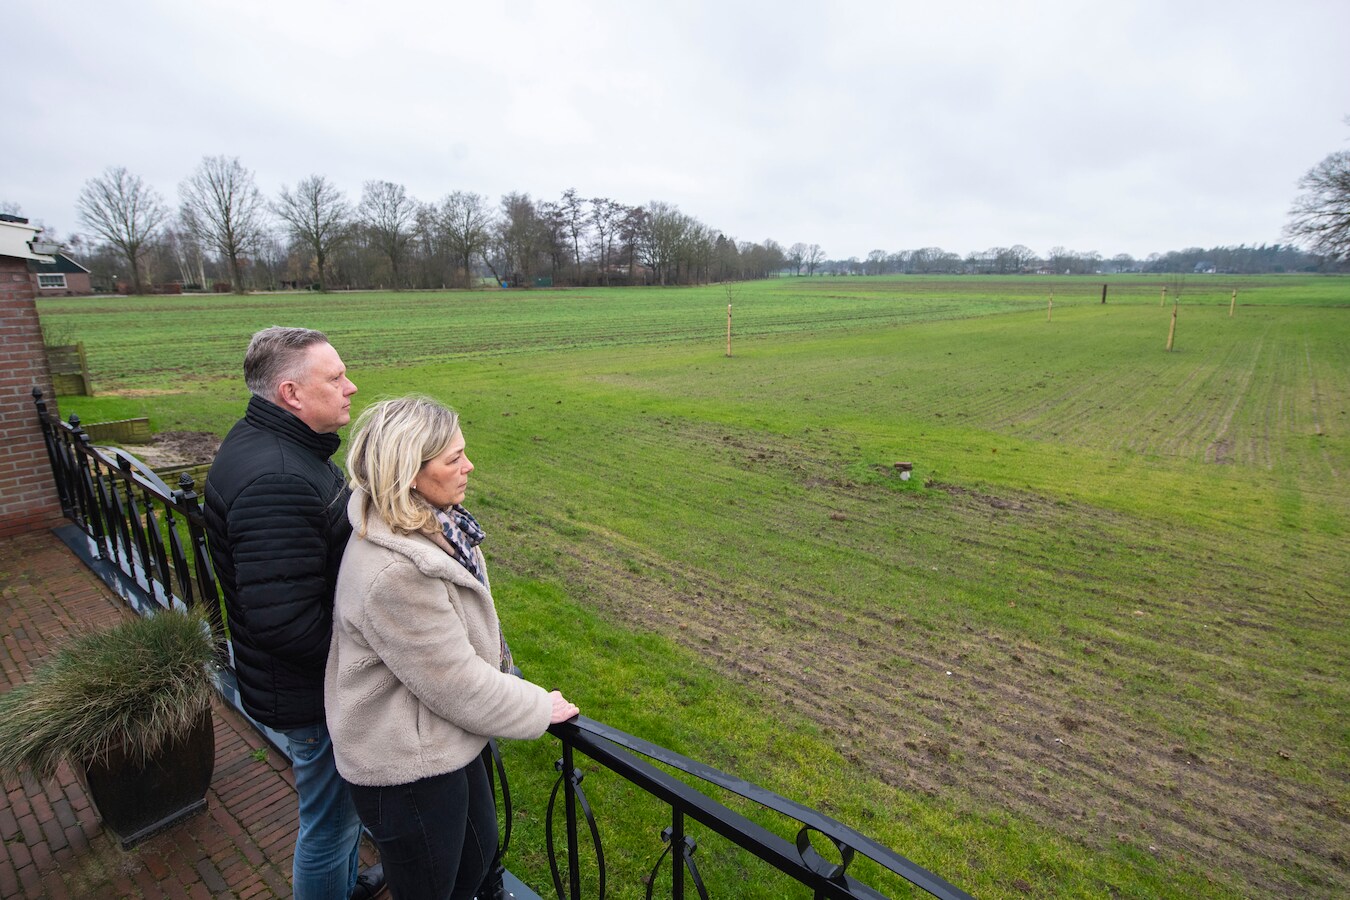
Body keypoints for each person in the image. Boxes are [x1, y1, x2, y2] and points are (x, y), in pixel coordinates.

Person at [326, 395, 579, 900]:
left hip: (442, 743)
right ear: (409, 473)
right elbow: (455, 683)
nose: (469, 466)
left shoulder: (432, 525)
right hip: (406, 769)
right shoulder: (395, 572)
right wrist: (536, 705)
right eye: (454, 458)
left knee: (475, 865)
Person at [204, 327, 384, 900]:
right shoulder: (277, 478)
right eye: (335, 378)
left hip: (305, 685)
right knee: (332, 824)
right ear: (291, 393)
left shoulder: (278, 448)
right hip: (314, 694)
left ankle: (343, 885)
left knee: (339, 816)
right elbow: (283, 622)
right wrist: (371, 660)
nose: (351, 387)